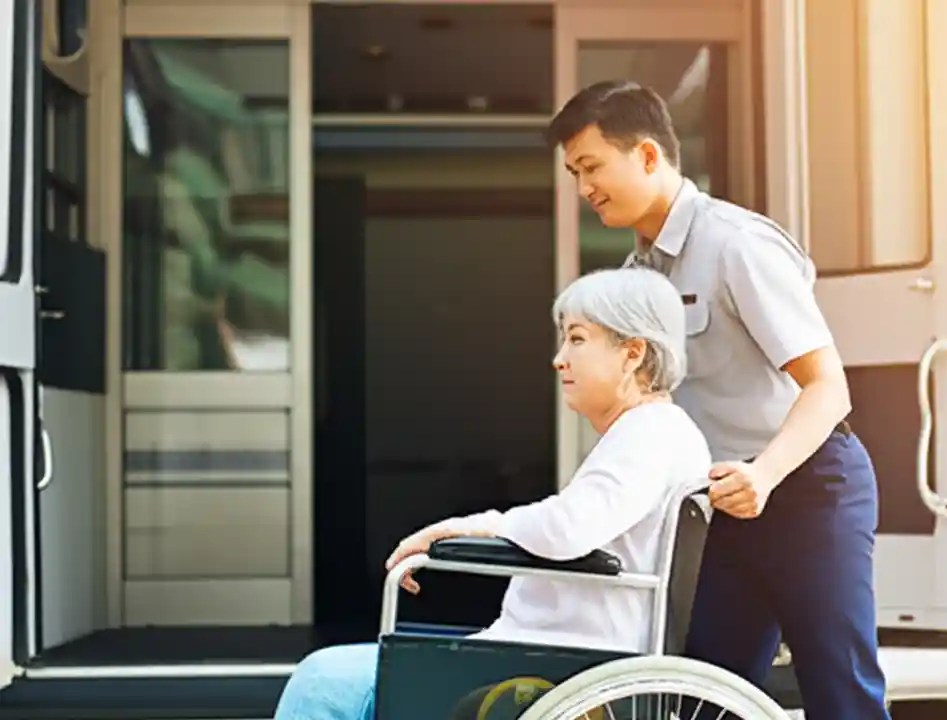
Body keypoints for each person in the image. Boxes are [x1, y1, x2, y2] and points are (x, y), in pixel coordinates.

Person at [545, 79, 890, 719]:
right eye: (574, 174)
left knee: (840, 692)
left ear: (648, 155)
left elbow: (828, 386)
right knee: (703, 694)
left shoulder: (736, 244)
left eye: (592, 167)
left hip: (808, 490)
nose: (584, 187)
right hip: (720, 504)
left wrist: (765, 475)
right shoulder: (635, 281)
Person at [271, 267, 712, 719]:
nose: (559, 359)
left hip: (561, 668)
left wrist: (469, 528)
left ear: (633, 354)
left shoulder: (649, 435)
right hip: (558, 657)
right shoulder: (656, 433)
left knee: (323, 681)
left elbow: (568, 529)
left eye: (577, 339)